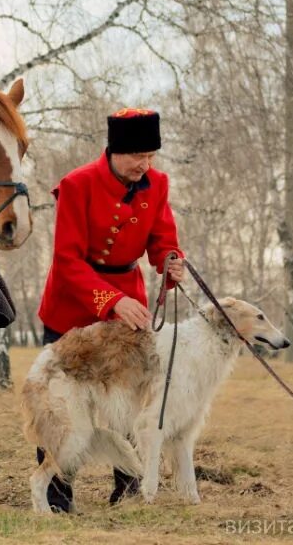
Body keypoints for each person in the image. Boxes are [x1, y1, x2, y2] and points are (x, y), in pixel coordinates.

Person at [35, 107, 185, 512]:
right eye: (138, 156)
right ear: (115, 151)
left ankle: (129, 486)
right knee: (60, 403)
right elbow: (66, 261)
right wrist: (111, 301)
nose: (146, 164)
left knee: (126, 401)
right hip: (71, 303)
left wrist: (171, 260)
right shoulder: (76, 184)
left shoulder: (157, 183)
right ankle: (57, 495)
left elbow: (161, 238)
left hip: (128, 299)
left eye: (151, 156)